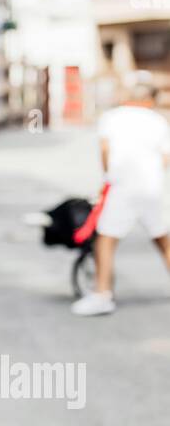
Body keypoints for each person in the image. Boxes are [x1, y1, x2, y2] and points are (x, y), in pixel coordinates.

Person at [73, 77, 170, 316]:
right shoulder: (158, 121)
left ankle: (102, 294)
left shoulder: (112, 117)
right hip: (151, 186)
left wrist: (107, 176)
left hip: (122, 186)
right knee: (163, 239)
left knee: (106, 239)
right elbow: (166, 157)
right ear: (149, 99)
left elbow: (105, 150)